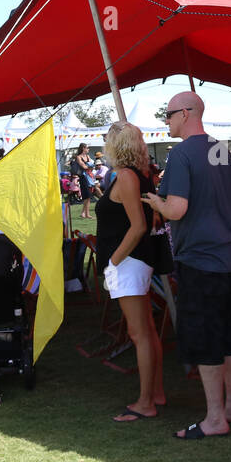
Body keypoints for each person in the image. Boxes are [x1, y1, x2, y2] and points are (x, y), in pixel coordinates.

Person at [142, 92, 231, 439]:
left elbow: (177, 209)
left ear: (185, 114)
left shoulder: (181, 154)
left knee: (206, 340)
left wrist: (157, 201)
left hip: (202, 261)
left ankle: (216, 418)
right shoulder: (221, 149)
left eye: (168, 114)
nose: (166, 121)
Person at [97, 121, 166, 422]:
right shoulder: (140, 174)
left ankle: (145, 402)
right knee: (147, 331)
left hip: (128, 261)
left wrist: (113, 262)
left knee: (140, 334)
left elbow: (139, 226)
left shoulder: (126, 176)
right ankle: (156, 394)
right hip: (134, 260)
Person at [69, 143, 95, 219]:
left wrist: (89, 167)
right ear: (83, 148)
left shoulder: (87, 156)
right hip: (83, 178)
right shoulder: (78, 157)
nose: (88, 149)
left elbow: (90, 166)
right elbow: (84, 166)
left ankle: (84, 213)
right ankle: (87, 214)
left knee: (88, 196)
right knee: (87, 196)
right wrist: (90, 166)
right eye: (87, 148)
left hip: (89, 177)